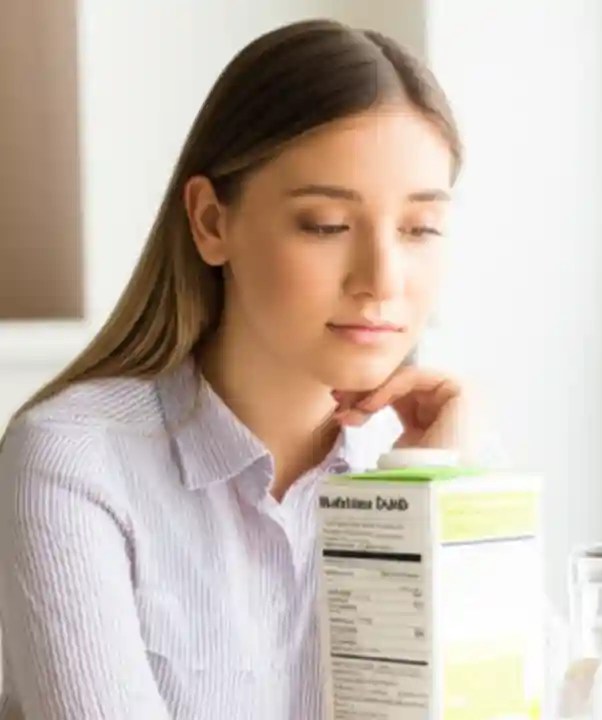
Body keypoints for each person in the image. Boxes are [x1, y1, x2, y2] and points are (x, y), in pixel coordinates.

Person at [0, 19, 480, 719]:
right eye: (326, 224)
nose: (383, 279)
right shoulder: (76, 461)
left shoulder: (443, 459)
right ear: (211, 222)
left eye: (420, 229)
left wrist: (432, 499)